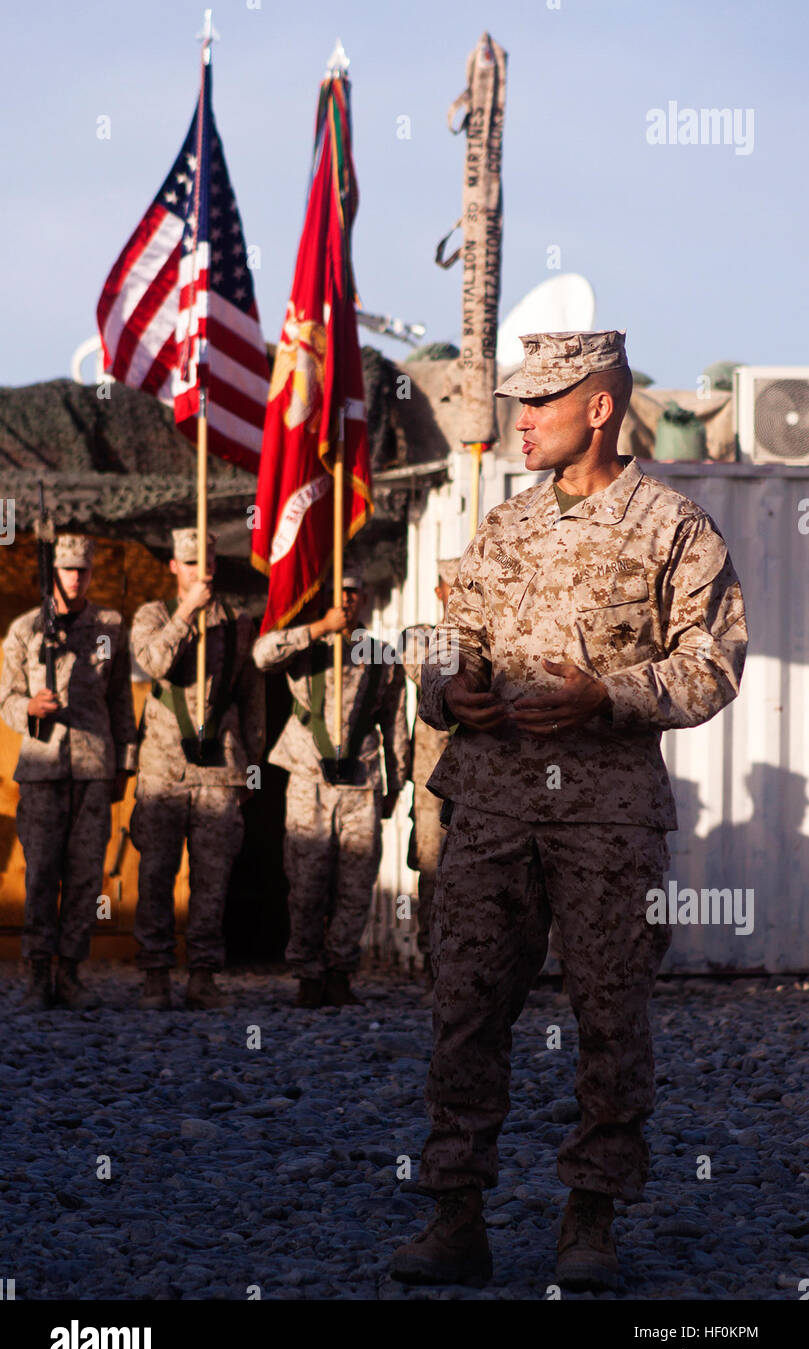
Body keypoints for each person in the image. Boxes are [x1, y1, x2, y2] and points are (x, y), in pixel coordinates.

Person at [390, 329, 748, 1291]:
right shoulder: (504, 528)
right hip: (492, 808)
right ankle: (455, 1217)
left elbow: (712, 664)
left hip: (606, 819)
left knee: (608, 1016)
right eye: (517, 403)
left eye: (538, 403)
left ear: (597, 407)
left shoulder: (674, 529)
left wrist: (608, 696)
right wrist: (448, 685)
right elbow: (449, 638)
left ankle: (589, 1222)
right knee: (464, 1010)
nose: (521, 420)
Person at [253, 574, 411, 1008]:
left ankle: (340, 971)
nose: (346, 599)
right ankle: (307, 973)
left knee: (356, 882)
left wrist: (396, 783)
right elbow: (262, 656)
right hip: (309, 776)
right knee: (306, 881)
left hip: (361, 780)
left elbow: (395, 723)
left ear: (363, 598)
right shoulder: (306, 647)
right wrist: (319, 627)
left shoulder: (381, 657)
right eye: (338, 591)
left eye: (353, 592)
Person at [130, 529, 265, 1010]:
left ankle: (203, 974)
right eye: (189, 563)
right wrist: (187, 612)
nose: (199, 572)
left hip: (220, 768)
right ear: (174, 567)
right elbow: (152, 664)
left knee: (213, 878)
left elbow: (251, 697)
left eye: (205, 563)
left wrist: (252, 764)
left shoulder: (238, 621)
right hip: (163, 769)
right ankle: (155, 974)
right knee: (156, 874)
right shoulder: (153, 615)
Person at [0, 534, 137, 1009]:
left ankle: (72, 972)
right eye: (66, 570)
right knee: (41, 873)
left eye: (83, 570)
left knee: (85, 876)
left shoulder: (110, 626)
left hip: (94, 766)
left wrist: (126, 764)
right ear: (52, 573)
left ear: (91, 572)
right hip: (42, 767)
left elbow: (120, 698)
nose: (75, 578)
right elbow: (5, 698)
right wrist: (30, 708)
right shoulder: (26, 629)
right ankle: (38, 974)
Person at [401, 559, 459, 989]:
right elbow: (427, 673)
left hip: (482, 774)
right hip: (432, 779)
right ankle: (432, 960)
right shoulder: (421, 638)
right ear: (439, 593)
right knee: (433, 869)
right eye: (451, 587)